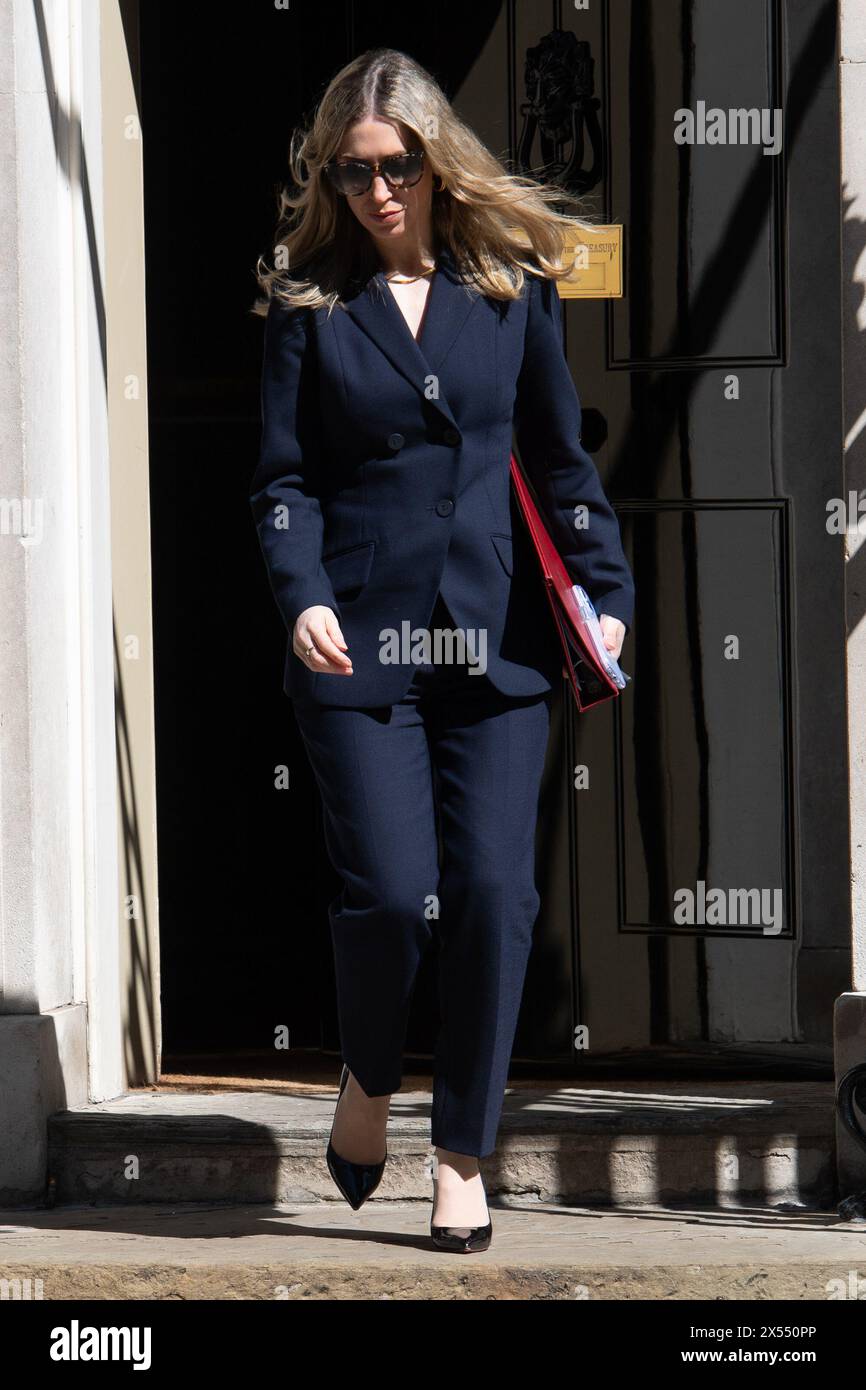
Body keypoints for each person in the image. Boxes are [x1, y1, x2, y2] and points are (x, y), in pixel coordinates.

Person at [249, 47, 634, 1253]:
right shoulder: (306, 303)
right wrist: (297, 588)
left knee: (491, 895)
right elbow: (281, 480)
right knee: (387, 901)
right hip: (358, 644)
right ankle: (368, 1081)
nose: (376, 192)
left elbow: (561, 461)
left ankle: (461, 1150)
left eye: (396, 166)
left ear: (433, 161)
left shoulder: (510, 290)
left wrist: (605, 589)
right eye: (353, 171)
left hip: (496, 639)